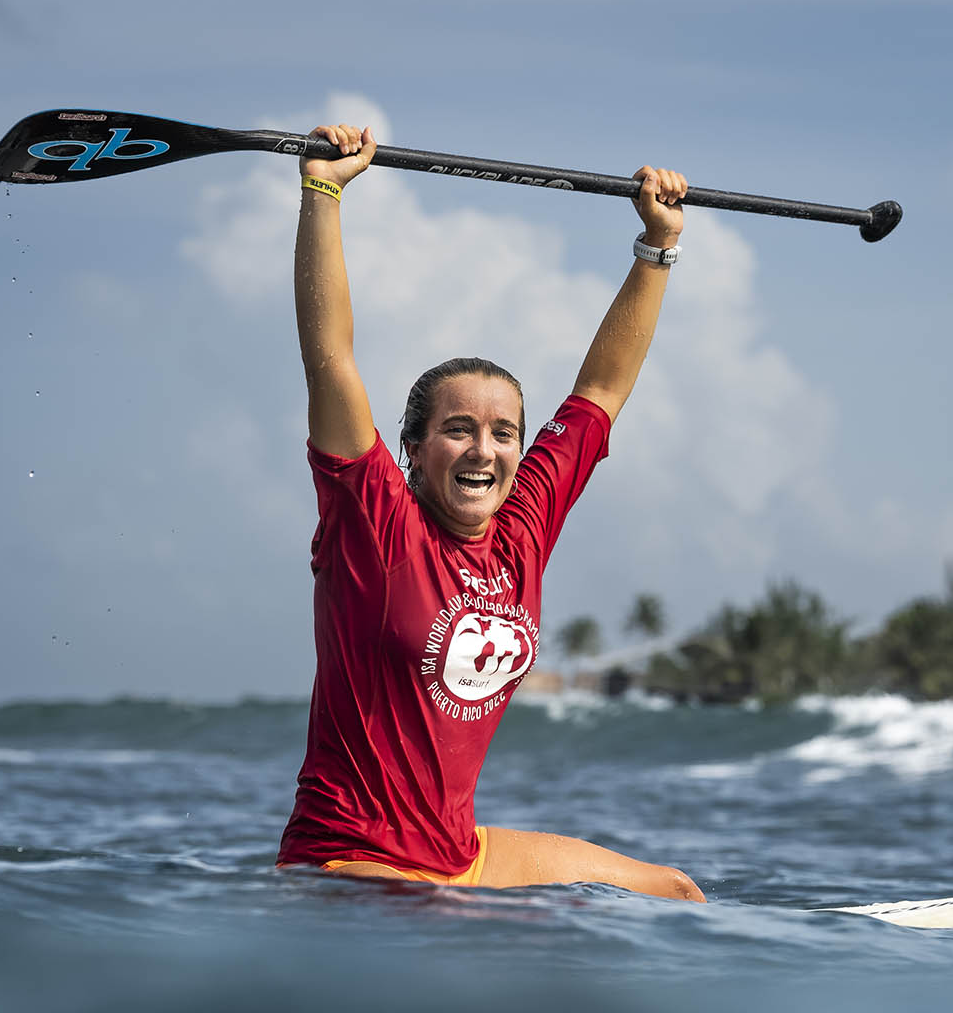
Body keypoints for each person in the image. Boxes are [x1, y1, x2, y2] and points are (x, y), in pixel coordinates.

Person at [276, 122, 705, 903]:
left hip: (458, 855)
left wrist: (657, 244)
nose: (484, 449)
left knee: (675, 889)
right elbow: (329, 358)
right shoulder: (374, 518)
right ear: (413, 448)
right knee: (446, 919)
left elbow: (601, 390)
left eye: (503, 432)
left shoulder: (523, 526)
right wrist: (323, 191)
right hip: (347, 857)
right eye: (458, 428)